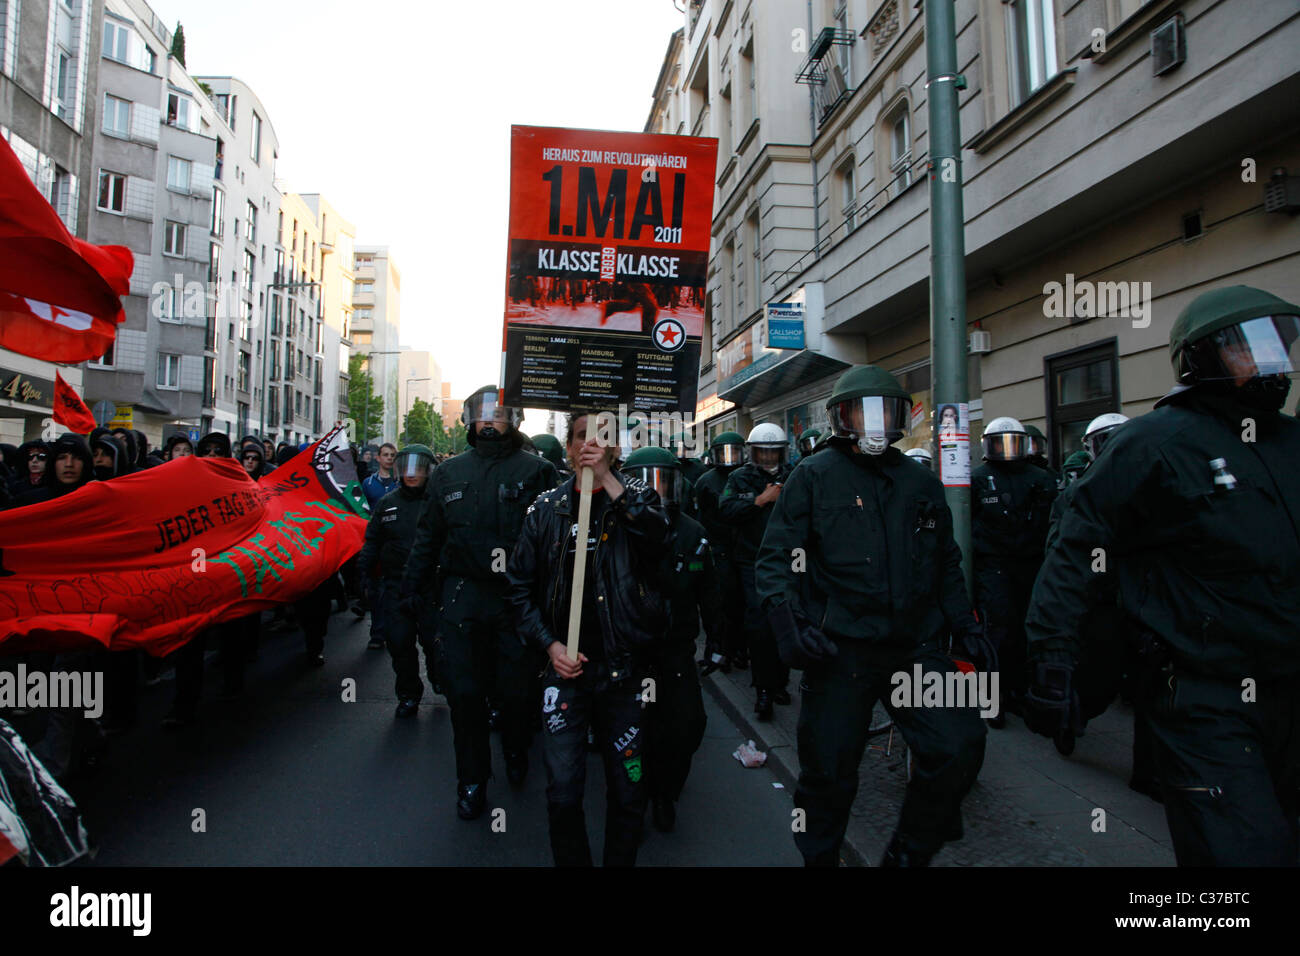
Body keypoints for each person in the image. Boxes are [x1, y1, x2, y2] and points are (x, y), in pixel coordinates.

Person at [1025, 285, 1300, 866]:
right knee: (1245, 854)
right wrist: (1052, 654)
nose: (1269, 362)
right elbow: (1076, 550)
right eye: (1248, 349)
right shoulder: (1152, 444)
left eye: (1279, 346)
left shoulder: (1290, 442)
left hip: (1289, 683)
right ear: (1204, 359)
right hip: (1204, 695)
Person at [755, 365, 987, 867]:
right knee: (828, 771)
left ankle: (910, 851)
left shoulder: (921, 482)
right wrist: (786, 619)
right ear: (843, 417)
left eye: (886, 411)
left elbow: (945, 559)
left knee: (960, 743)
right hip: (841, 649)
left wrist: (964, 622)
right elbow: (777, 557)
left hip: (913, 647)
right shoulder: (813, 477)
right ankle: (820, 858)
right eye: (864, 411)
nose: (875, 422)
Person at [506, 411, 670, 866]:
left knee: (629, 787)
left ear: (616, 449)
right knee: (562, 789)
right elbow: (517, 588)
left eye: (602, 438)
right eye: (581, 437)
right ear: (569, 446)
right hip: (564, 672)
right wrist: (549, 645)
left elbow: (658, 540)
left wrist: (607, 481)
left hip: (624, 672)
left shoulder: (638, 498)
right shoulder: (545, 509)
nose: (590, 445)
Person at [401, 385, 558, 820]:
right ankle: (471, 780)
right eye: (482, 414)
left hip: (516, 601)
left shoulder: (538, 472)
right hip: (462, 598)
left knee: (516, 693)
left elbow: (555, 540)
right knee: (465, 696)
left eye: (499, 414)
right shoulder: (448, 475)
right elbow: (428, 537)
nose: (490, 422)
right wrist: (411, 591)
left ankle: (515, 748)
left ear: (514, 420)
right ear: (470, 420)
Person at [622, 446, 718, 833]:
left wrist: (717, 640)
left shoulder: (693, 531)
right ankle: (635, 798)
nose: (656, 493)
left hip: (676, 648)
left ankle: (666, 792)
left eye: (664, 482)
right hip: (629, 649)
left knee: (686, 726)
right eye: (645, 484)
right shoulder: (615, 527)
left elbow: (710, 590)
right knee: (632, 731)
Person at [970, 416, 1057, 726]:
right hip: (993, 566)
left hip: (1031, 564)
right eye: (1000, 442)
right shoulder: (978, 479)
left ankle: (1019, 691)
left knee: (1025, 629)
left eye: (1013, 442)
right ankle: (991, 696)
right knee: (996, 631)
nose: (1007, 450)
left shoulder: (1042, 478)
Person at [720, 422, 794, 720]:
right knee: (760, 625)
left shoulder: (793, 475)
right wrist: (760, 500)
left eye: (772, 452)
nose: (767, 457)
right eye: (762, 451)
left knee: (785, 622)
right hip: (752, 561)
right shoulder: (740, 477)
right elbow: (726, 510)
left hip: (788, 560)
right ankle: (763, 688)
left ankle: (780, 682)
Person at [358, 444, 439, 716]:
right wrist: (366, 577)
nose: (412, 474)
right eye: (407, 467)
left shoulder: (437, 504)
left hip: (431, 588)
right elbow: (371, 542)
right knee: (399, 643)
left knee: (435, 642)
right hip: (396, 587)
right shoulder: (387, 503)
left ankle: (439, 677)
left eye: (418, 468)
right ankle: (408, 694)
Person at [691, 430, 747, 673]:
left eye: (734, 452)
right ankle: (719, 651)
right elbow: (700, 515)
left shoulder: (747, 476)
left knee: (743, 603)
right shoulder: (706, 480)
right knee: (720, 602)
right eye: (723, 452)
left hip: (744, 547)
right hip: (718, 547)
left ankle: (740, 650)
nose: (729, 457)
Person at [14, 434, 95, 507]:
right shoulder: (29, 501)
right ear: (53, 463)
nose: (69, 464)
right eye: (62, 458)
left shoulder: (97, 500)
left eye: (78, 458)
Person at [362, 442, 399, 508]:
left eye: (392, 455)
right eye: (385, 455)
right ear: (378, 458)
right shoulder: (368, 483)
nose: (389, 458)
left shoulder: (400, 482)